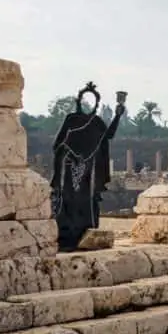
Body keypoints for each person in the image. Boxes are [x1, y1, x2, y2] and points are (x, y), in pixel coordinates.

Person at [50, 83, 126, 251]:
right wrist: (71, 155)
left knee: (87, 201)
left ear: (96, 104)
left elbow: (108, 136)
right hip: (68, 168)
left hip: (89, 170)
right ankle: (65, 238)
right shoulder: (71, 119)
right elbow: (58, 144)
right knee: (68, 200)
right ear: (80, 102)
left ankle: (85, 234)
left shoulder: (97, 122)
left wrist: (118, 116)